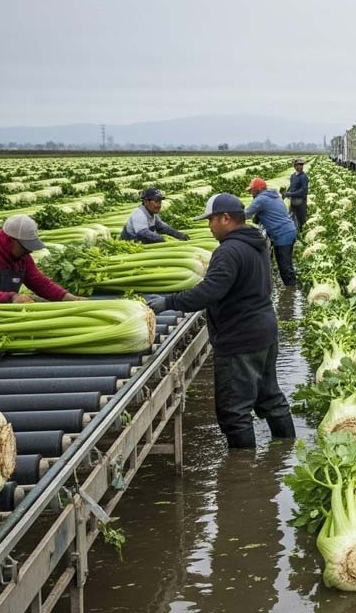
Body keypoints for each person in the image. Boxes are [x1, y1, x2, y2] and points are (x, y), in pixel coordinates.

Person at [144, 193, 294, 448]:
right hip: (264, 330)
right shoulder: (255, 243)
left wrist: (169, 302)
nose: (209, 226)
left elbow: (210, 291)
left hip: (240, 338)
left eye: (211, 220)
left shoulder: (229, 251)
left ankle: (243, 477)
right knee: (270, 398)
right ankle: (286, 452)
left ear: (225, 218)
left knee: (234, 412)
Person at [0, 214, 84, 304]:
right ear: (11, 240)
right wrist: (12, 297)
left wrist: (70, 298)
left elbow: (40, 283)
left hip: (0, 310)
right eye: (26, 246)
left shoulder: (21, 256)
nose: (30, 250)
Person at [245, 177, 298, 285]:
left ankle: (290, 292)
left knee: (284, 266)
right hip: (289, 230)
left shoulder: (261, 199)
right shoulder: (274, 196)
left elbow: (245, 214)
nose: (251, 193)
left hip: (282, 234)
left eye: (252, 190)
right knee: (287, 263)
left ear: (258, 190)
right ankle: (291, 287)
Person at [121, 187, 190, 243]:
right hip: (133, 243)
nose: (159, 205)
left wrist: (177, 234)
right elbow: (143, 233)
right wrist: (162, 238)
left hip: (142, 242)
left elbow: (162, 227)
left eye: (160, 201)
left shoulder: (152, 214)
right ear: (145, 201)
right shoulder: (139, 215)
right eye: (156, 201)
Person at [283, 159, 309, 229]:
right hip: (293, 201)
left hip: (301, 202)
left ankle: (301, 232)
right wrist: (286, 193)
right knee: (292, 218)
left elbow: (304, 190)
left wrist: (290, 194)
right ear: (295, 166)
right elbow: (292, 186)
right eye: (298, 165)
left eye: (301, 165)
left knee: (301, 219)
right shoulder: (293, 176)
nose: (300, 167)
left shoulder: (304, 177)